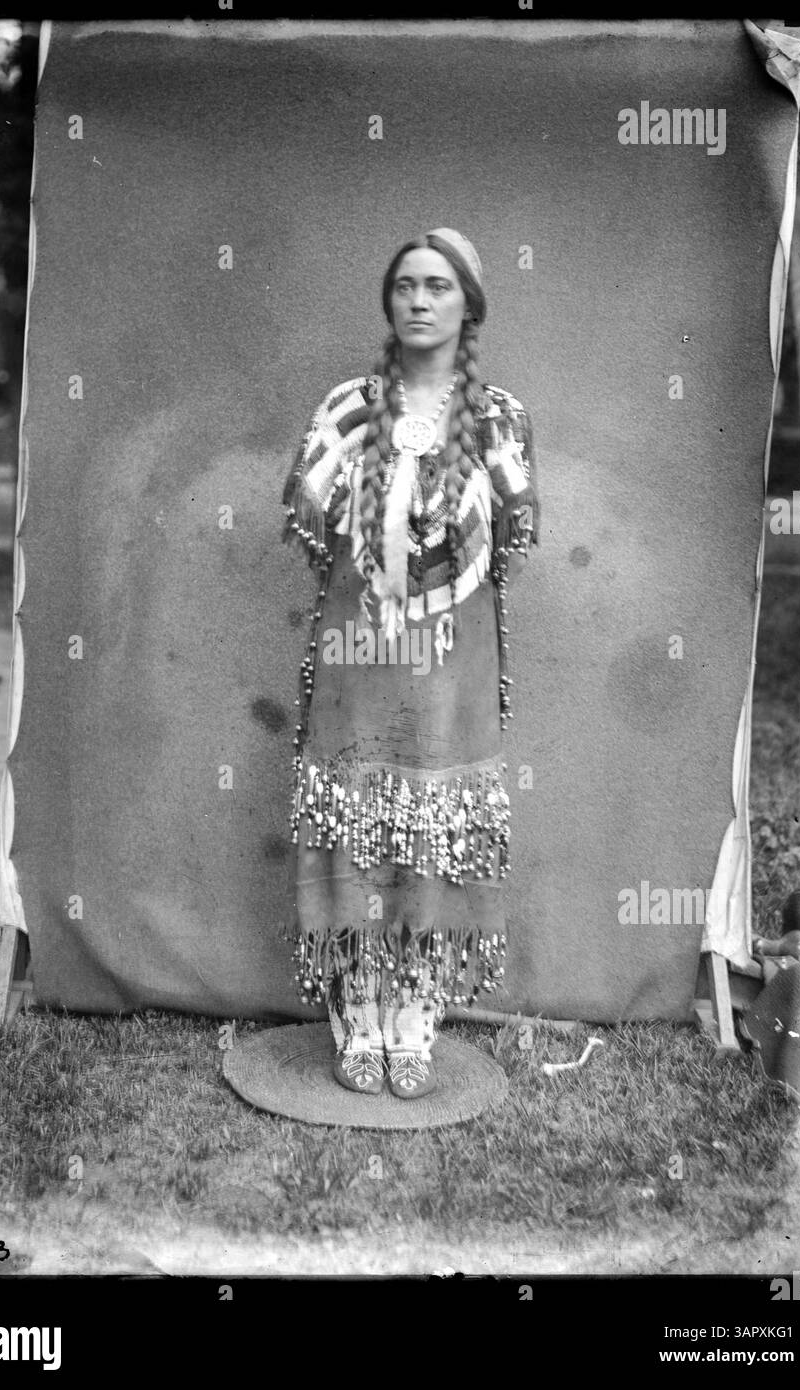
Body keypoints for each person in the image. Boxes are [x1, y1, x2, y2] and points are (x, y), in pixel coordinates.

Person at [281, 228, 538, 1098]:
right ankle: (357, 1012)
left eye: (438, 287)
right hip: (361, 654)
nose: (420, 300)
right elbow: (322, 545)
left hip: (453, 662)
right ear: (389, 301)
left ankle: (414, 1017)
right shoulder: (347, 411)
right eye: (405, 286)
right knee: (359, 822)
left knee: (432, 827)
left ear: (469, 306)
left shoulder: (500, 420)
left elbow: (504, 550)